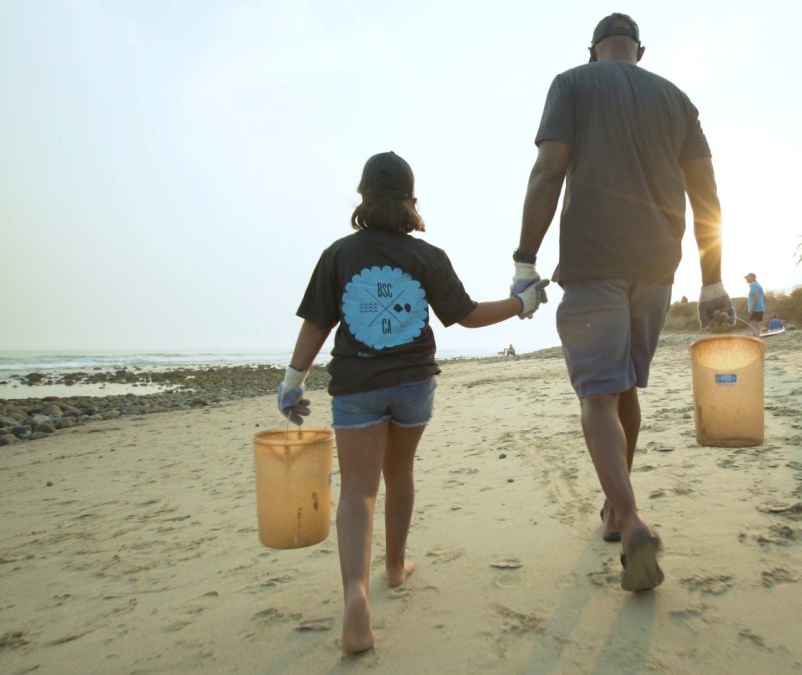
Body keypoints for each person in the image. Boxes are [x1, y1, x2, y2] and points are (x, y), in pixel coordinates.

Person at [277, 151, 549, 653]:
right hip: (413, 385)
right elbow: (465, 316)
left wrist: (293, 382)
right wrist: (522, 304)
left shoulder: (338, 254)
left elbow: (317, 323)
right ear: (410, 202)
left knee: (358, 490)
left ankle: (356, 594)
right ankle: (396, 567)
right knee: (398, 476)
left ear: (362, 199)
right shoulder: (426, 256)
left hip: (356, 386)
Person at [512, 13, 732, 592]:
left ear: (594, 51)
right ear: (639, 50)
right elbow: (706, 191)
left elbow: (549, 168)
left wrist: (524, 260)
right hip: (659, 265)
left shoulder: (572, 84)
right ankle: (616, 510)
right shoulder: (677, 99)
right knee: (626, 385)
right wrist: (712, 281)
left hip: (592, 261)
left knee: (597, 396)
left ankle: (630, 518)